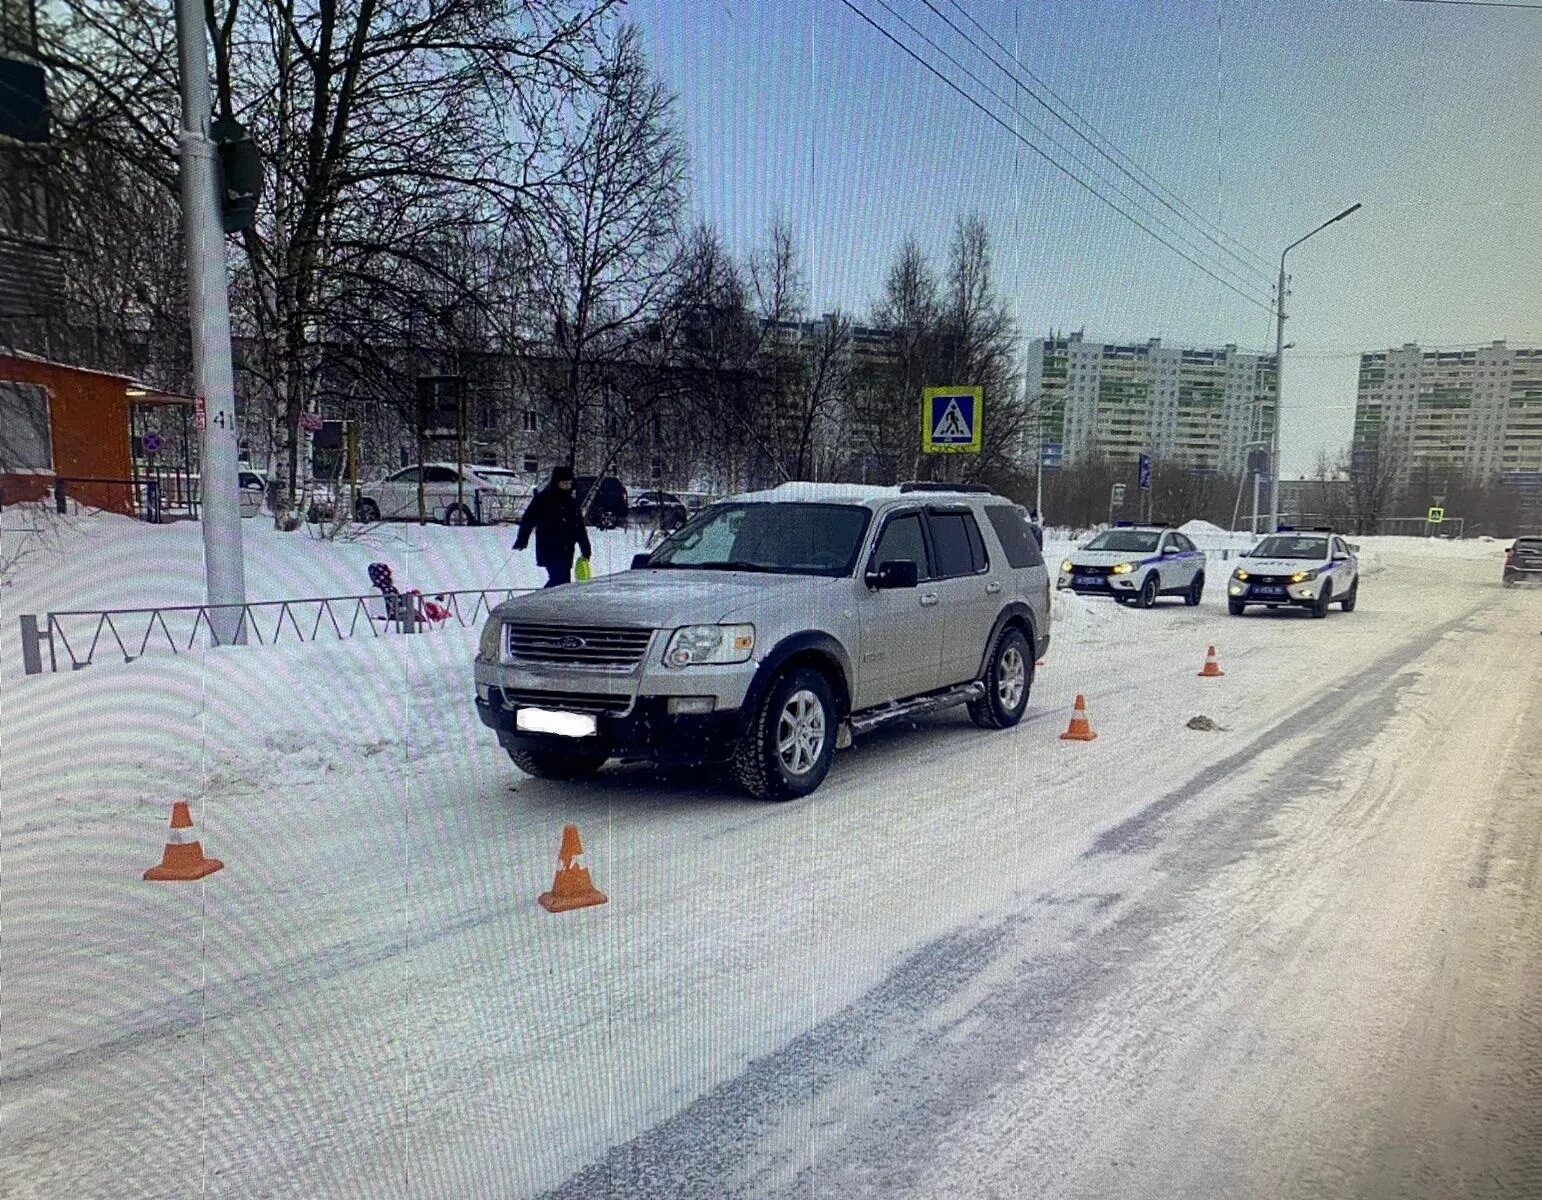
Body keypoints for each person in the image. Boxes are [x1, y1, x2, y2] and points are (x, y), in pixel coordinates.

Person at [514, 464, 592, 587]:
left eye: (569, 484)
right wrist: (522, 539)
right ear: (556, 483)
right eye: (563, 484)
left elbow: (579, 527)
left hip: (567, 548)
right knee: (558, 580)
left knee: (564, 582)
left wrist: (585, 547)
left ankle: (557, 604)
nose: (567, 487)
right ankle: (537, 602)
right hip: (549, 547)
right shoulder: (543, 499)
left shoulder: (571, 502)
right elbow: (528, 520)